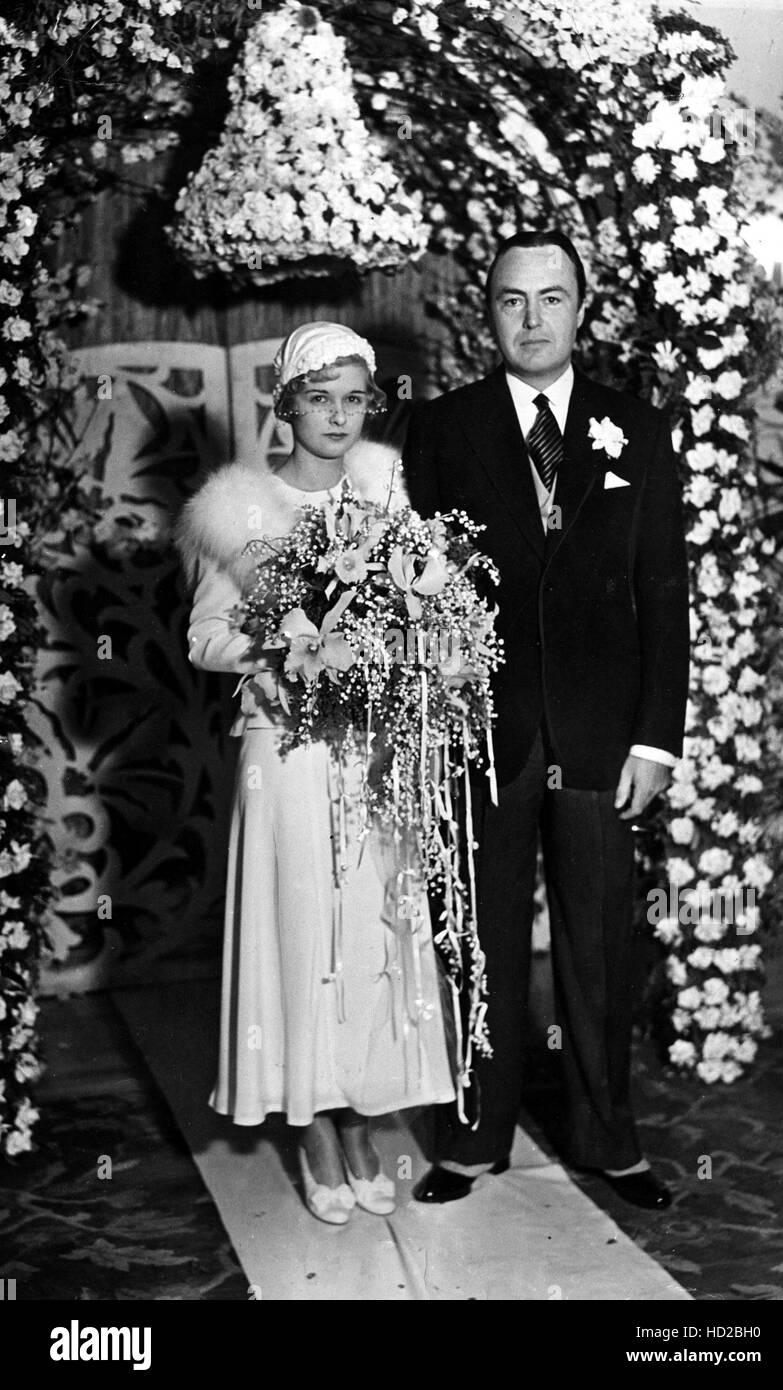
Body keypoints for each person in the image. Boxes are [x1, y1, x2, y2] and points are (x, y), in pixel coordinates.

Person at [403, 230, 690, 1210]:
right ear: (487, 313)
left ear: (582, 307)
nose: (531, 319)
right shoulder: (440, 430)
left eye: (550, 299)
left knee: (601, 944)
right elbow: (419, 589)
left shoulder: (636, 429)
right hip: (484, 730)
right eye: (511, 301)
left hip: (605, 738)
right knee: (474, 940)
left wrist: (656, 737)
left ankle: (609, 1140)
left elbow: (662, 592)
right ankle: (471, 1138)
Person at [175, 322, 455, 1225]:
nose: (336, 416)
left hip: (374, 750)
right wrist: (287, 643)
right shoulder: (241, 511)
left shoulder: (386, 497)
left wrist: (415, 645)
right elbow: (205, 638)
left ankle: (366, 1112)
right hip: (285, 752)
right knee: (302, 930)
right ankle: (314, 1125)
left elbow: (431, 606)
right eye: (317, 398)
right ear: (284, 406)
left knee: (369, 940)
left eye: (351, 399)